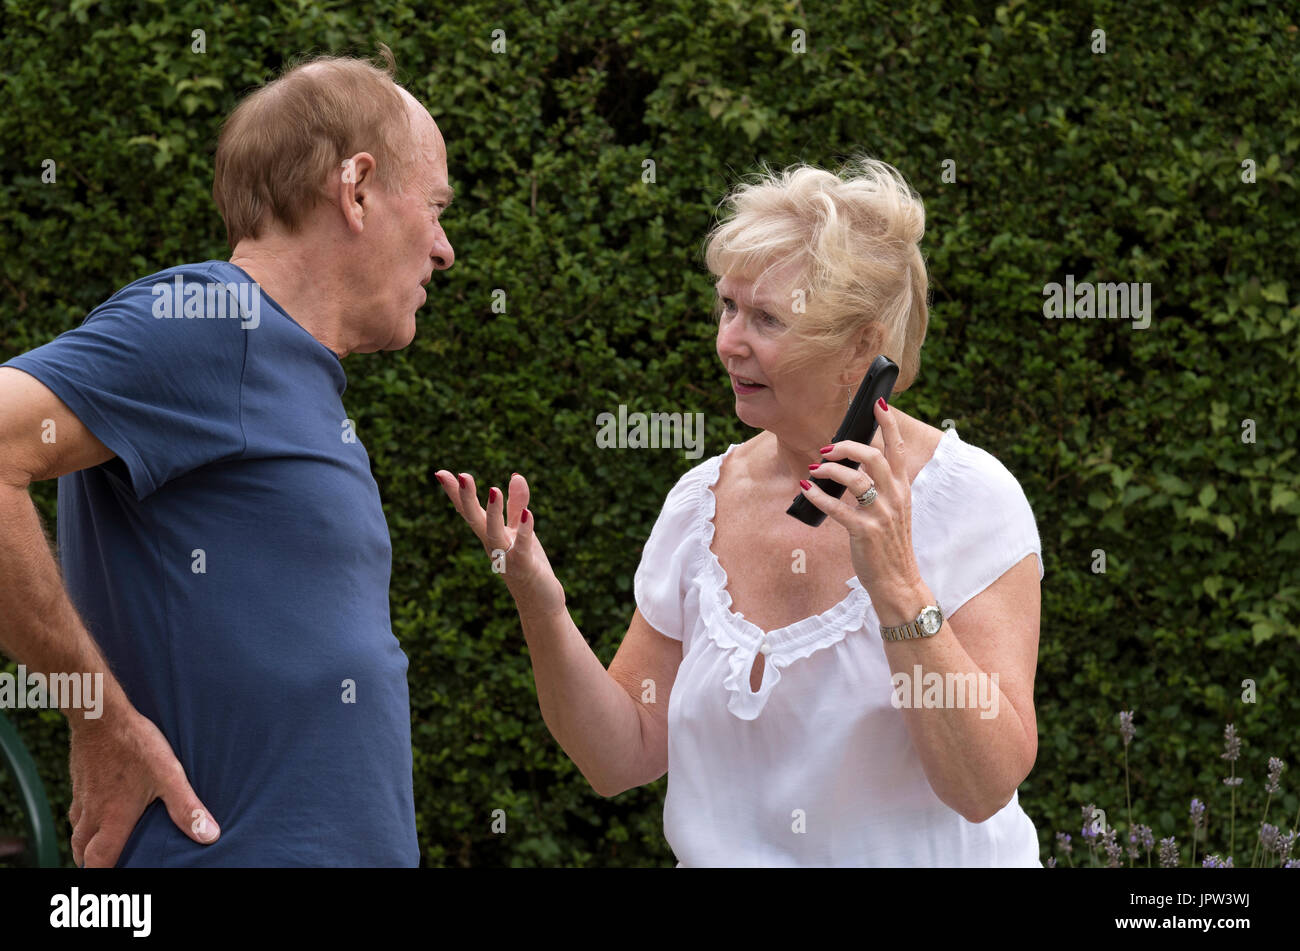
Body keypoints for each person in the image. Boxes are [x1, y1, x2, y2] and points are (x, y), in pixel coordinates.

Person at [437, 156, 1044, 866]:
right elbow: (623, 753)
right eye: (728, 306)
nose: (729, 340)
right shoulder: (699, 503)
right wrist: (542, 607)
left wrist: (900, 587)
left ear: (862, 347)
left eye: (767, 318)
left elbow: (984, 786)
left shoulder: (971, 500)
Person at [0, 47, 454, 865]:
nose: (445, 248)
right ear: (355, 189)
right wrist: (99, 719)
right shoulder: (211, 319)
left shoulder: (286, 367)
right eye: (435, 205)